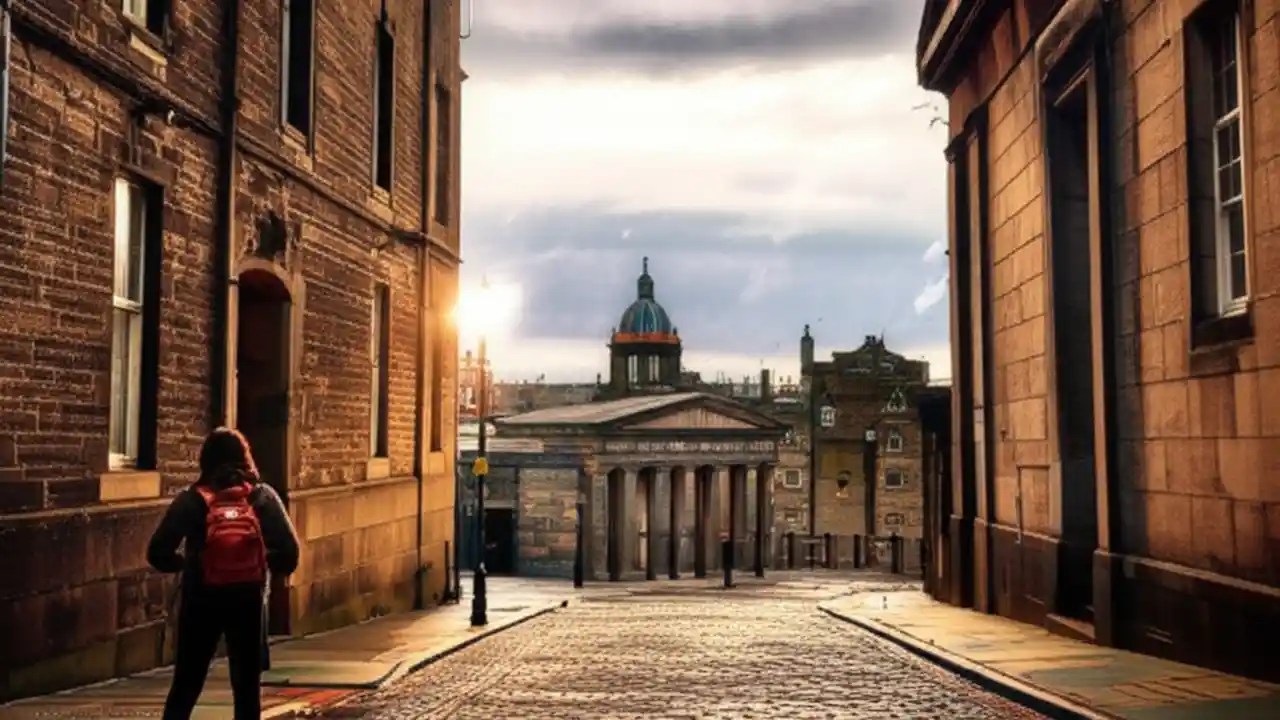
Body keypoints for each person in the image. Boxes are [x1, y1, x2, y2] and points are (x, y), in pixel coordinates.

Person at [147, 427, 300, 720]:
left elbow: (157, 552)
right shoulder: (262, 497)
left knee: (186, 684)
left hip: (200, 598)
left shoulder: (192, 499)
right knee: (246, 690)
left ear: (206, 460)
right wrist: (261, 563)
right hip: (248, 600)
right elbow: (290, 554)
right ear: (245, 458)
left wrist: (187, 564)